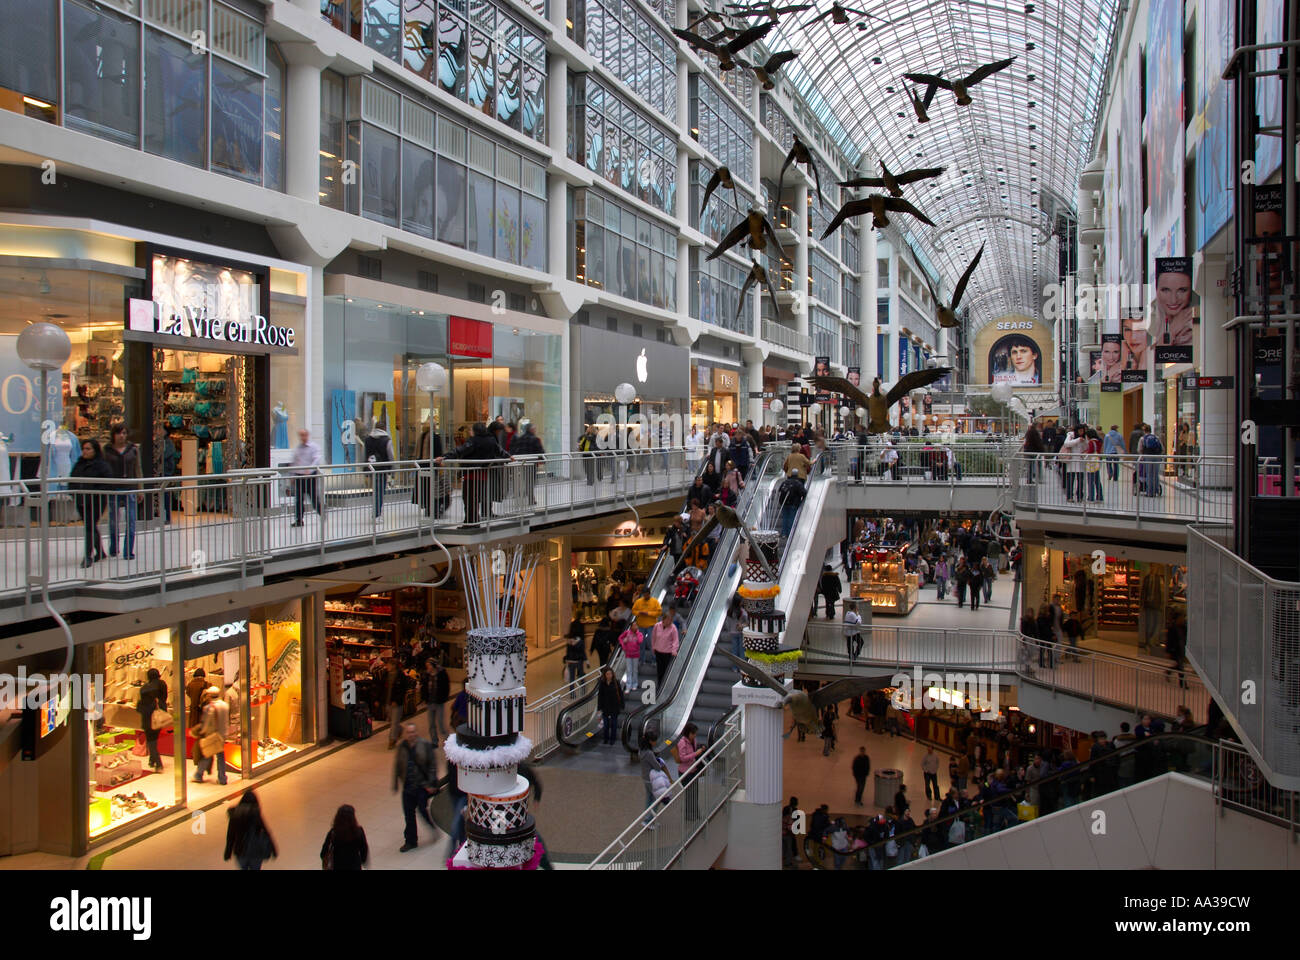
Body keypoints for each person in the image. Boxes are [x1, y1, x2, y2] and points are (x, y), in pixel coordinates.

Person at [435, 423, 505, 525]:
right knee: (476, 497)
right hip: (483, 474)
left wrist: (445, 457)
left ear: (476, 431)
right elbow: (500, 451)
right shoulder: (491, 440)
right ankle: (473, 520)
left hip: (471, 474)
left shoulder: (474, 441)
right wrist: (509, 456)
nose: (469, 432)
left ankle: (471, 521)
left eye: (471, 430)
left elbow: (459, 450)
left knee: (469, 498)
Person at [392, 722, 439, 852]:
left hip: (421, 786)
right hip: (407, 787)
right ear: (405, 734)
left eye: (413, 732)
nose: (411, 734)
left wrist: (431, 783)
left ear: (416, 733)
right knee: (409, 815)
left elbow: (432, 765)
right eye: (408, 732)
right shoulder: (402, 747)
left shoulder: (424, 745)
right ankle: (411, 841)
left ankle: (432, 827)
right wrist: (395, 783)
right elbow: (397, 765)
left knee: (422, 810)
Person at [69, 438, 112, 567]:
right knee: (90, 525)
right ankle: (100, 551)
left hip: (96, 501)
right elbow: (72, 480)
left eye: (88, 449)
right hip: (82, 500)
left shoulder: (102, 465)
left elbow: (107, 483)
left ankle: (88, 555)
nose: (85, 451)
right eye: (84, 449)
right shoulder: (79, 464)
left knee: (90, 525)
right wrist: (73, 493)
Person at [103, 423, 142, 559]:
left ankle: (128, 551)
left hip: (129, 487)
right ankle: (114, 547)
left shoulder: (133, 449)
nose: (122, 436)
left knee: (131, 520)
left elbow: (138, 469)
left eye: (124, 433)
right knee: (113, 520)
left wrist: (140, 489)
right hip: (113, 488)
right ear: (113, 435)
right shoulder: (107, 450)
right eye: (119, 433)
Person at [223, 790, 277, 870]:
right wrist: (273, 849)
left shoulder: (235, 815)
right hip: (255, 851)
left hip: (240, 851)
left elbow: (230, 836)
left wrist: (228, 851)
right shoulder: (255, 814)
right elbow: (266, 832)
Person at [192, 686, 229, 785]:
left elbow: (206, 723)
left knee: (207, 754)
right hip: (223, 734)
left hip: (212, 734)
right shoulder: (225, 705)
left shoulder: (209, 708)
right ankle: (222, 778)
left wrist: (201, 732)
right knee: (220, 756)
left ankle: (198, 774)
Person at [363, 418, 396, 519]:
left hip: (372, 468)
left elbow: (365, 454)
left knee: (375, 491)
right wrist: (393, 470)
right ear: (384, 428)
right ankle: (377, 513)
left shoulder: (368, 439)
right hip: (383, 469)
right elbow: (391, 456)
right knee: (380, 491)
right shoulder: (387, 440)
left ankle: (375, 512)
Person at [137, 667, 168, 773]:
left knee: (151, 742)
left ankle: (158, 764)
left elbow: (142, 706)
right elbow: (164, 699)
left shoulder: (145, 689)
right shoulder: (162, 684)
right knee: (154, 740)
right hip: (160, 716)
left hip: (148, 719)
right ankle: (152, 761)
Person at [288, 428, 322, 526]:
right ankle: (299, 519)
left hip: (310, 476)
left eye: (304, 435)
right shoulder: (298, 448)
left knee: (313, 498)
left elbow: (317, 459)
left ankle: (321, 512)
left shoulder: (313, 447)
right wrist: (292, 475)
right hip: (299, 476)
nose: (302, 437)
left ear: (307, 435)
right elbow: (294, 462)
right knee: (298, 499)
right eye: (301, 435)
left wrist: (310, 469)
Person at [321, 804, 370, 870]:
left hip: (338, 865)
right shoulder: (358, 831)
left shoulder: (333, 832)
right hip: (354, 865)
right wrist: (362, 860)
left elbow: (323, 852)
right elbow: (364, 849)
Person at [639, 731, 671, 824]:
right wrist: (659, 762)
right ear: (650, 741)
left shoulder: (641, 751)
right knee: (658, 799)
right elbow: (657, 766)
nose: (655, 742)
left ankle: (647, 818)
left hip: (645, 777)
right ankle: (648, 820)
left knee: (649, 799)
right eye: (654, 740)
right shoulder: (649, 753)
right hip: (652, 779)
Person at [509, 420, 544, 505]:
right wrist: (542, 459)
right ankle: (531, 498)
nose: (535, 430)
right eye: (534, 429)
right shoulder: (535, 439)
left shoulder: (520, 438)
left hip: (523, 463)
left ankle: (528, 497)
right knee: (531, 481)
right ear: (531, 430)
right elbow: (540, 451)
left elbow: (515, 450)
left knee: (526, 480)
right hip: (532, 463)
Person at [674, 722, 702, 820]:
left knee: (695, 793)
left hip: (693, 770)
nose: (695, 735)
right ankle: (688, 814)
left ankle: (695, 812)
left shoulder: (694, 741)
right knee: (689, 794)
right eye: (693, 733)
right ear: (688, 733)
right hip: (685, 772)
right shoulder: (682, 742)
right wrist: (695, 754)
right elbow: (683, 758)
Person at [650, 608, 680, 687]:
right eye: (668, 620)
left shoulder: (673, 628)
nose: (669, 622)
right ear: (664, 620)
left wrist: (674, 650)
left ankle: (666, 686)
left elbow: (675, 640)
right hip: (658, 651)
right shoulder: (657, 626)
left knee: (666, 670)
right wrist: (653, 647)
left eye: (670, 621)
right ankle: (659, 686)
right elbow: (653, 637)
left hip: (667, 652)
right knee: (660, 670)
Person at [425, 659, 451, 745]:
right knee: (431, 723)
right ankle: (434, 741)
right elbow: (424, 687)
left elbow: (446, 687)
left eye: (429, 665)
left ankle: (447, 740)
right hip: (430, 702)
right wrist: (425, 698)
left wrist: (444, 698)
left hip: (439, 702)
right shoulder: (427, 675)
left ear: (433, 665)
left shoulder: (442, 674)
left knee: (440, 724)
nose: (427, 667)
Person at [384, 660, 409, 748]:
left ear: (393, 665)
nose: (386, 666)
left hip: (397, 703)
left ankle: (392, 740)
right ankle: (400, 730)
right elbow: (383, 688)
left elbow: (403, 690)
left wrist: (397, 700)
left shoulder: (401, 676)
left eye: (388, 664)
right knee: (391, 721)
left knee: (394, 722)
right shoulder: (386, 675)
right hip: (388, 702)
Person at [596, 666, 624, 745]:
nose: (609, 676)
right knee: (606, 724)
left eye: (610, 674)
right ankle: (606, 738)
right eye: (607, 674)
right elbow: (600, 696)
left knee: (614, 724)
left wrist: (621, 704)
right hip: (605, 707)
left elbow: (620, 694)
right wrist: (599, 708)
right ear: (605, 675)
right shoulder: (602, 683)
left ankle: (613, 739)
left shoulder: (616, 682)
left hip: (614, 706)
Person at [777, 468, 806, 541]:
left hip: (784, 503)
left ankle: (783, 533)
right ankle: (790, 533)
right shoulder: (798, 483)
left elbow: (780, 490)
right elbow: (804, 492)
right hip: (793, 503)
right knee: (791, 518)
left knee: (785, 518)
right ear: (797, 475)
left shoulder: (785, 482)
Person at [619, 620, 644, 694]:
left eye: (636, 625)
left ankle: (634, 684)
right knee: (629, 670)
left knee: (635, 670)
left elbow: (640, 641)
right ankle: (628, 686)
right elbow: (620, 638)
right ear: (631, 626)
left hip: (635, 654)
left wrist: (636, 633)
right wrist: (623, 644)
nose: (635, 626)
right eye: (634, 625)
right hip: (628, 654)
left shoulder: (639, 634)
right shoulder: (627, 633)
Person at [563, 618, 586, 687]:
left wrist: (566, 660)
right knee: (581, 674)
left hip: (571, 661)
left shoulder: (569, 642)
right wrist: (586, 660)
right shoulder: (580, 641)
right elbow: (582, 652)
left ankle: (572, 692)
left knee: (572, 677)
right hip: (578, 660)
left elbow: (567, 652)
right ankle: (583, 686)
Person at [781, 796, 800, 866]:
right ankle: (788, 862)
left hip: (783, 831)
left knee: (784, 847)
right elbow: (796, 821)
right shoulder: (794, 810)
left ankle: (784, 861)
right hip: (789, 832)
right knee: (789, 848)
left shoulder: (785, 809)